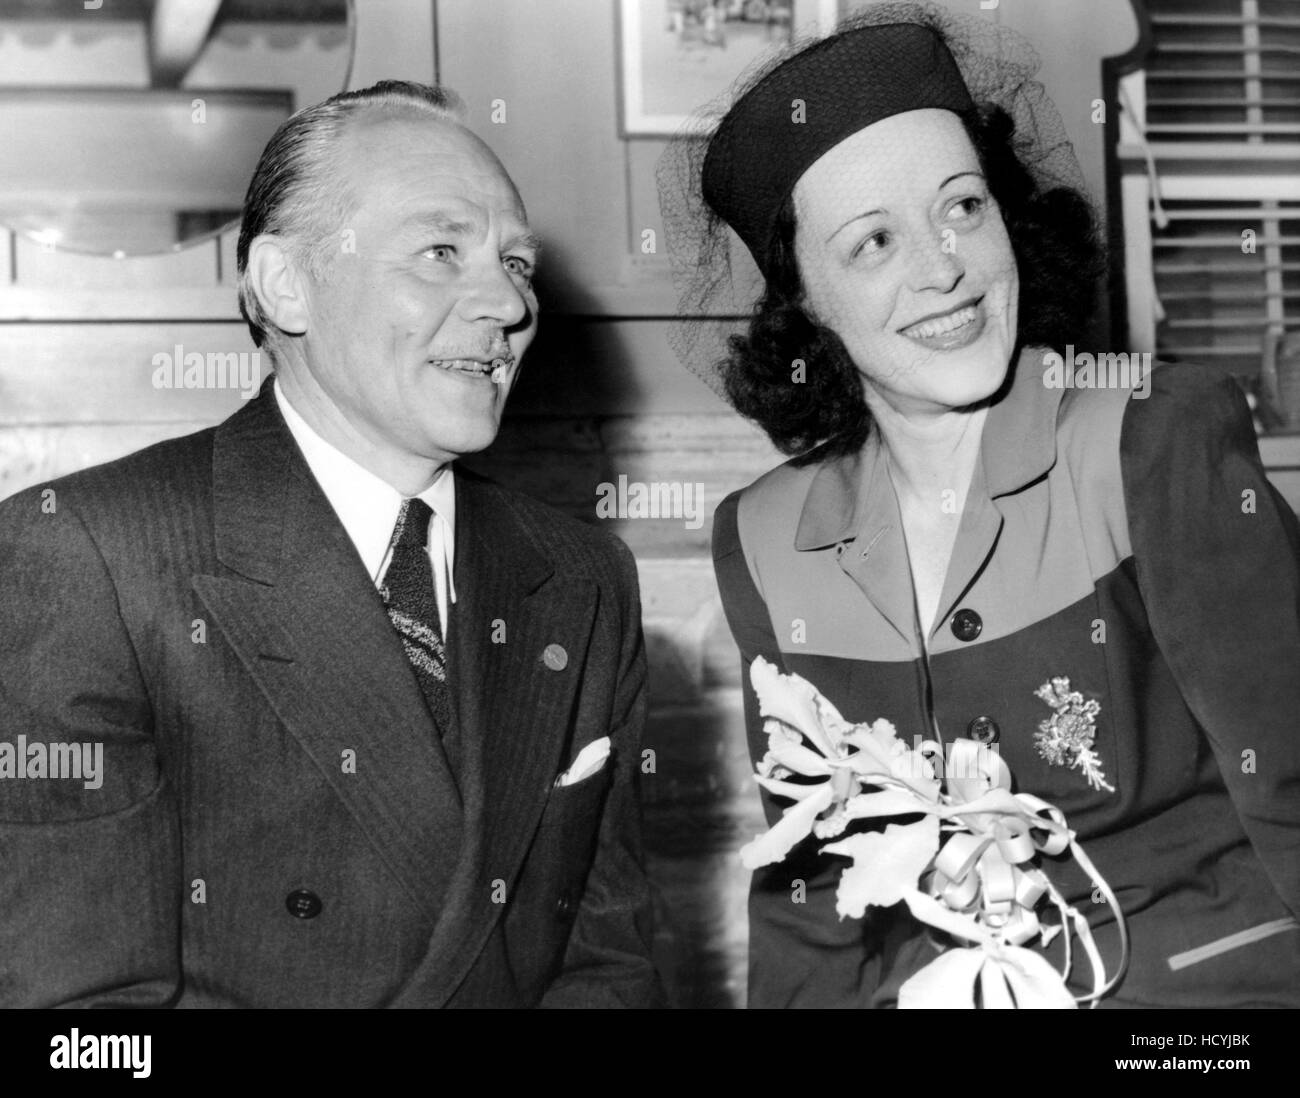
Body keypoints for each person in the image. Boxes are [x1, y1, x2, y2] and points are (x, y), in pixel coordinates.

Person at [660, 3, 1300, 1007]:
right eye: (872, 242)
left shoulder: (1153, 442)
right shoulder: (764, 540)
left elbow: (1292, 792)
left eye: (962, 207)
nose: (943, 266)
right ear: (804, 305)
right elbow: (810, 895)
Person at [0, 80, 659, 1008]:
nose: (507, 305)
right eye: (440, 251)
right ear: (286, 284)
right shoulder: (87, 555)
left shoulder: (587, 579)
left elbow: (609, 965)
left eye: (517, 263)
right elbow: (84, 1023)